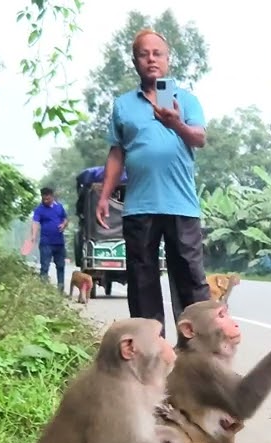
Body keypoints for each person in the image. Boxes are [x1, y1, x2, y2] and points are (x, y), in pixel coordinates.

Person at [95, 28, 210, 332]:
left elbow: (199, 138)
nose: (151, 59)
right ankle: (151, 354)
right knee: (142, 282)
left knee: (191, 283)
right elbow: (117, 153)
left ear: (168, 59)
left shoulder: (185, 101)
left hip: (181, 205)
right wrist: (105, 196)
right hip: (139, 207)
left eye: (157, 53)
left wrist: (177, 124)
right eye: (143, 54)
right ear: (135, 61)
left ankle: (196, 355)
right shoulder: (123, 105)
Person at [30, 187, 68, 293]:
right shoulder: (39, 209)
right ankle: (44, 291)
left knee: (60, 266)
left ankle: (60, 290)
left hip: (59, 243)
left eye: (47, 198)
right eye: (43, 198)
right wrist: (33, 236)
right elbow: (35, 222)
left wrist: (63, 225)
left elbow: (65, 219)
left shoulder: (59, 207)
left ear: (52, 196)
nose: (45, 200)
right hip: (46, 243)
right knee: (45, 267)